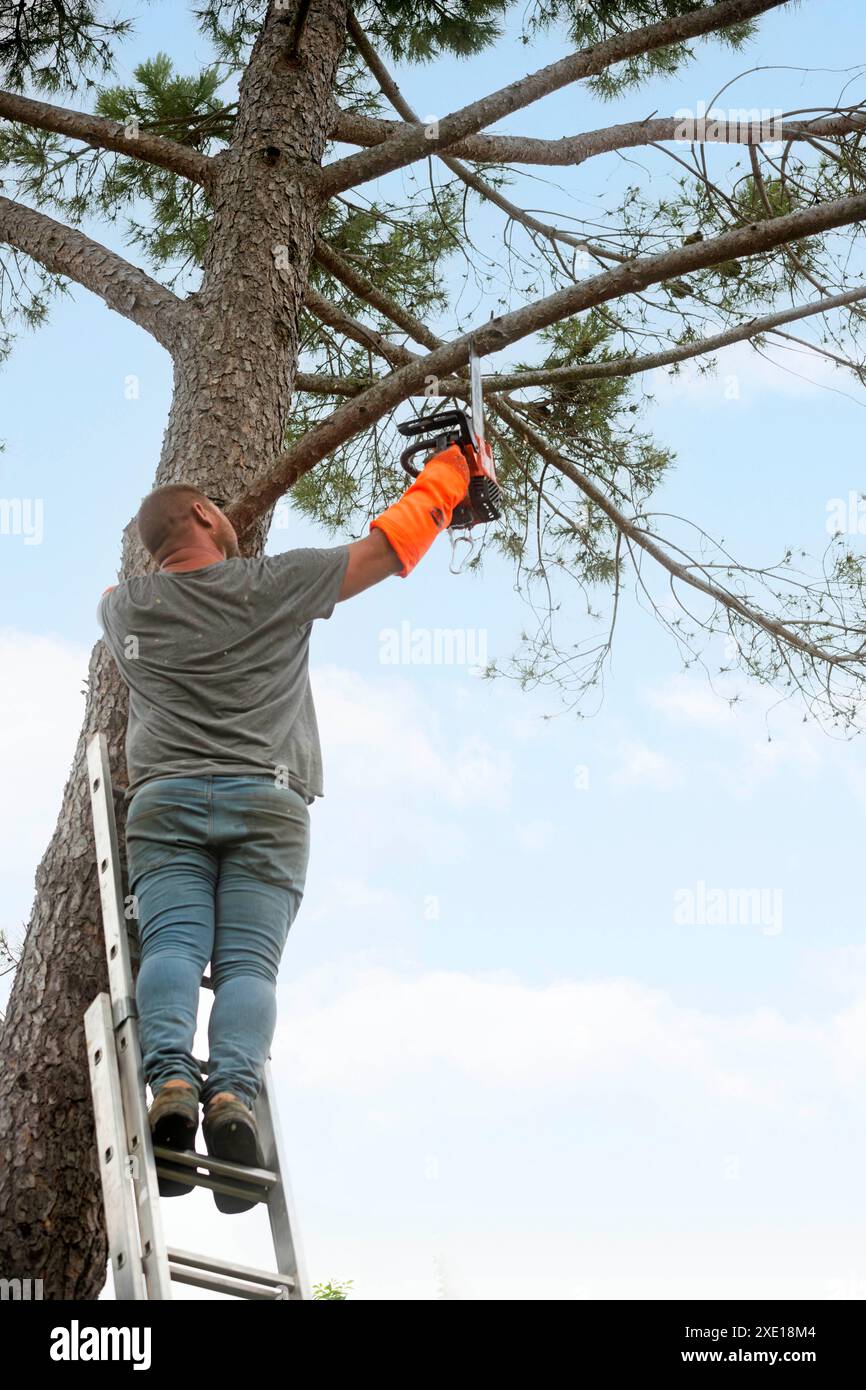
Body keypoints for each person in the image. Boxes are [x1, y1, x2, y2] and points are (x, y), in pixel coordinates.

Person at [97, 443, 470, 1212]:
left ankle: (169, 1079)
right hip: (268, 804)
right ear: (202, 514)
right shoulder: (276, 584)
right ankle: (231, 1097)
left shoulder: (121, 609)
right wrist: (454, 473)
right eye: (220, 510)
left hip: (165, 802)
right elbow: (392, 547)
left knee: (170, 945)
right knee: (248, 970)